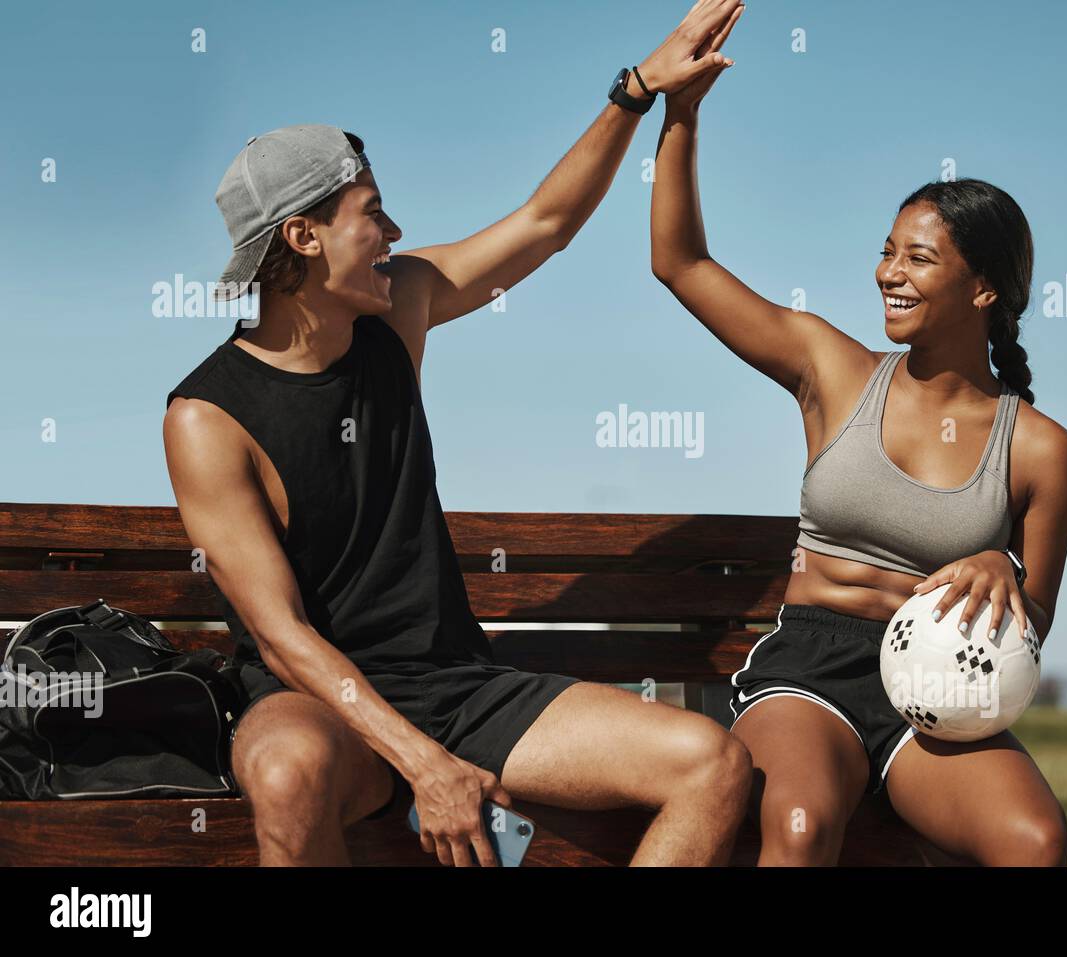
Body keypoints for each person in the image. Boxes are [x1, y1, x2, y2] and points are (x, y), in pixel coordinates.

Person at [163, 0, 751, 866]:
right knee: (288, 773)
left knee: (713, 762)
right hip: (320, 706)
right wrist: (423, 764)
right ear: (302, 235)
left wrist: (637, 91)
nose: (395, 232)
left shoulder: (399, 306)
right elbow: (284, 637)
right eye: (372, 213)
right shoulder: (206, 418)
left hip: (460, 689)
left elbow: (544, 224)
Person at [649, 61, 1067, 866]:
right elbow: (682, 264)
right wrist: (681, 115)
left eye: (918, 259)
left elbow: (1039, 617)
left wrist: (1004, 569)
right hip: (810, 670)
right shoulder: (831, 367)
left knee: (1035, 839)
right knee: (804, 824)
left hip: (942, 695)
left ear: (983, 288)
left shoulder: (1041, 448)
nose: (889, 273)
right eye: (888, 252)